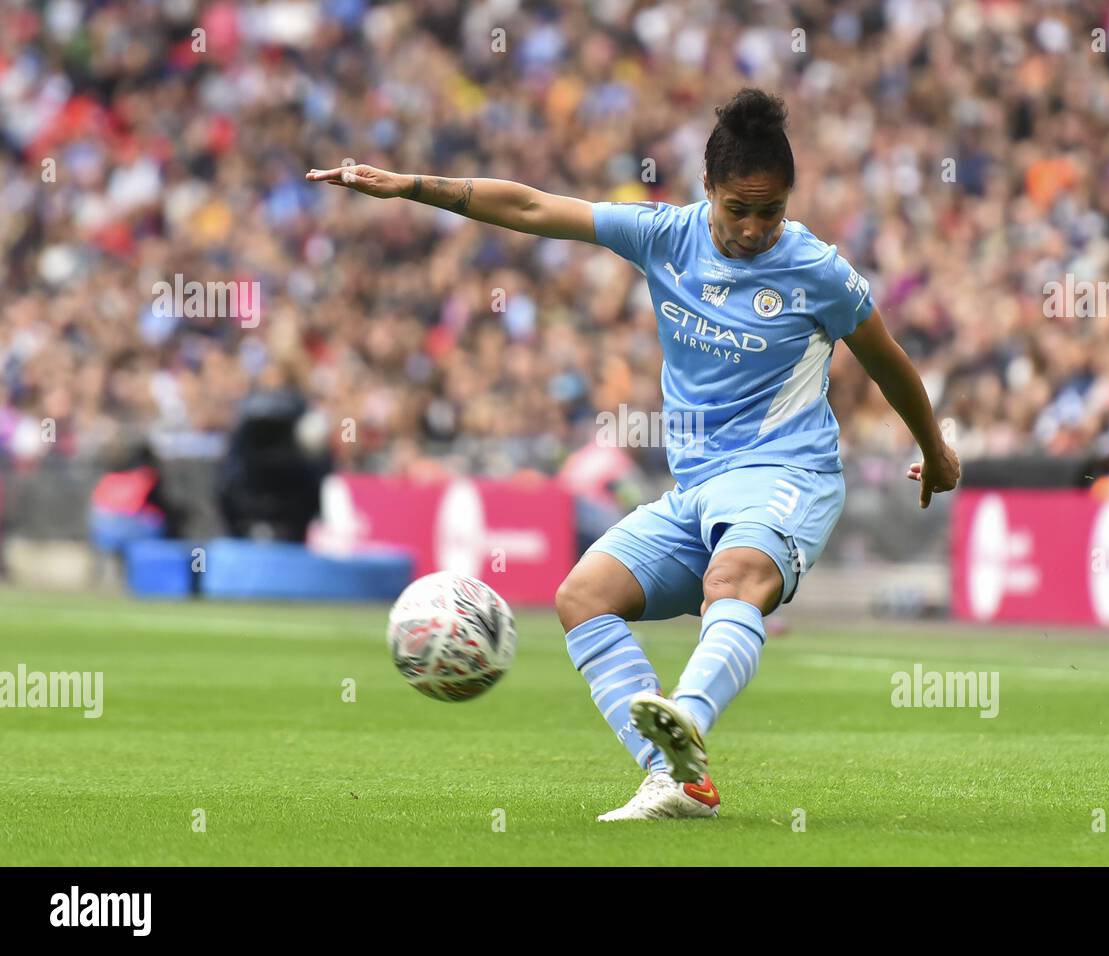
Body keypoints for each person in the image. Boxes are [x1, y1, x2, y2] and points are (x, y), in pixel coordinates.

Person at [307, 88, 961, 820]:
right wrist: (409, 187)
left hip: (787, 474)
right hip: (697, 489)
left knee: (735, 577)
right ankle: (677, 777)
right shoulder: (663, 236)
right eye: (736, 209)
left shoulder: (818, 272)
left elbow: (890, 361)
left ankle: (687, 711)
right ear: (706, 190)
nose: (752, 228)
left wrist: (934, 450)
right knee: (582, 598)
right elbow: (530, 208)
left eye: (769, 212)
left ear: (789, 201)